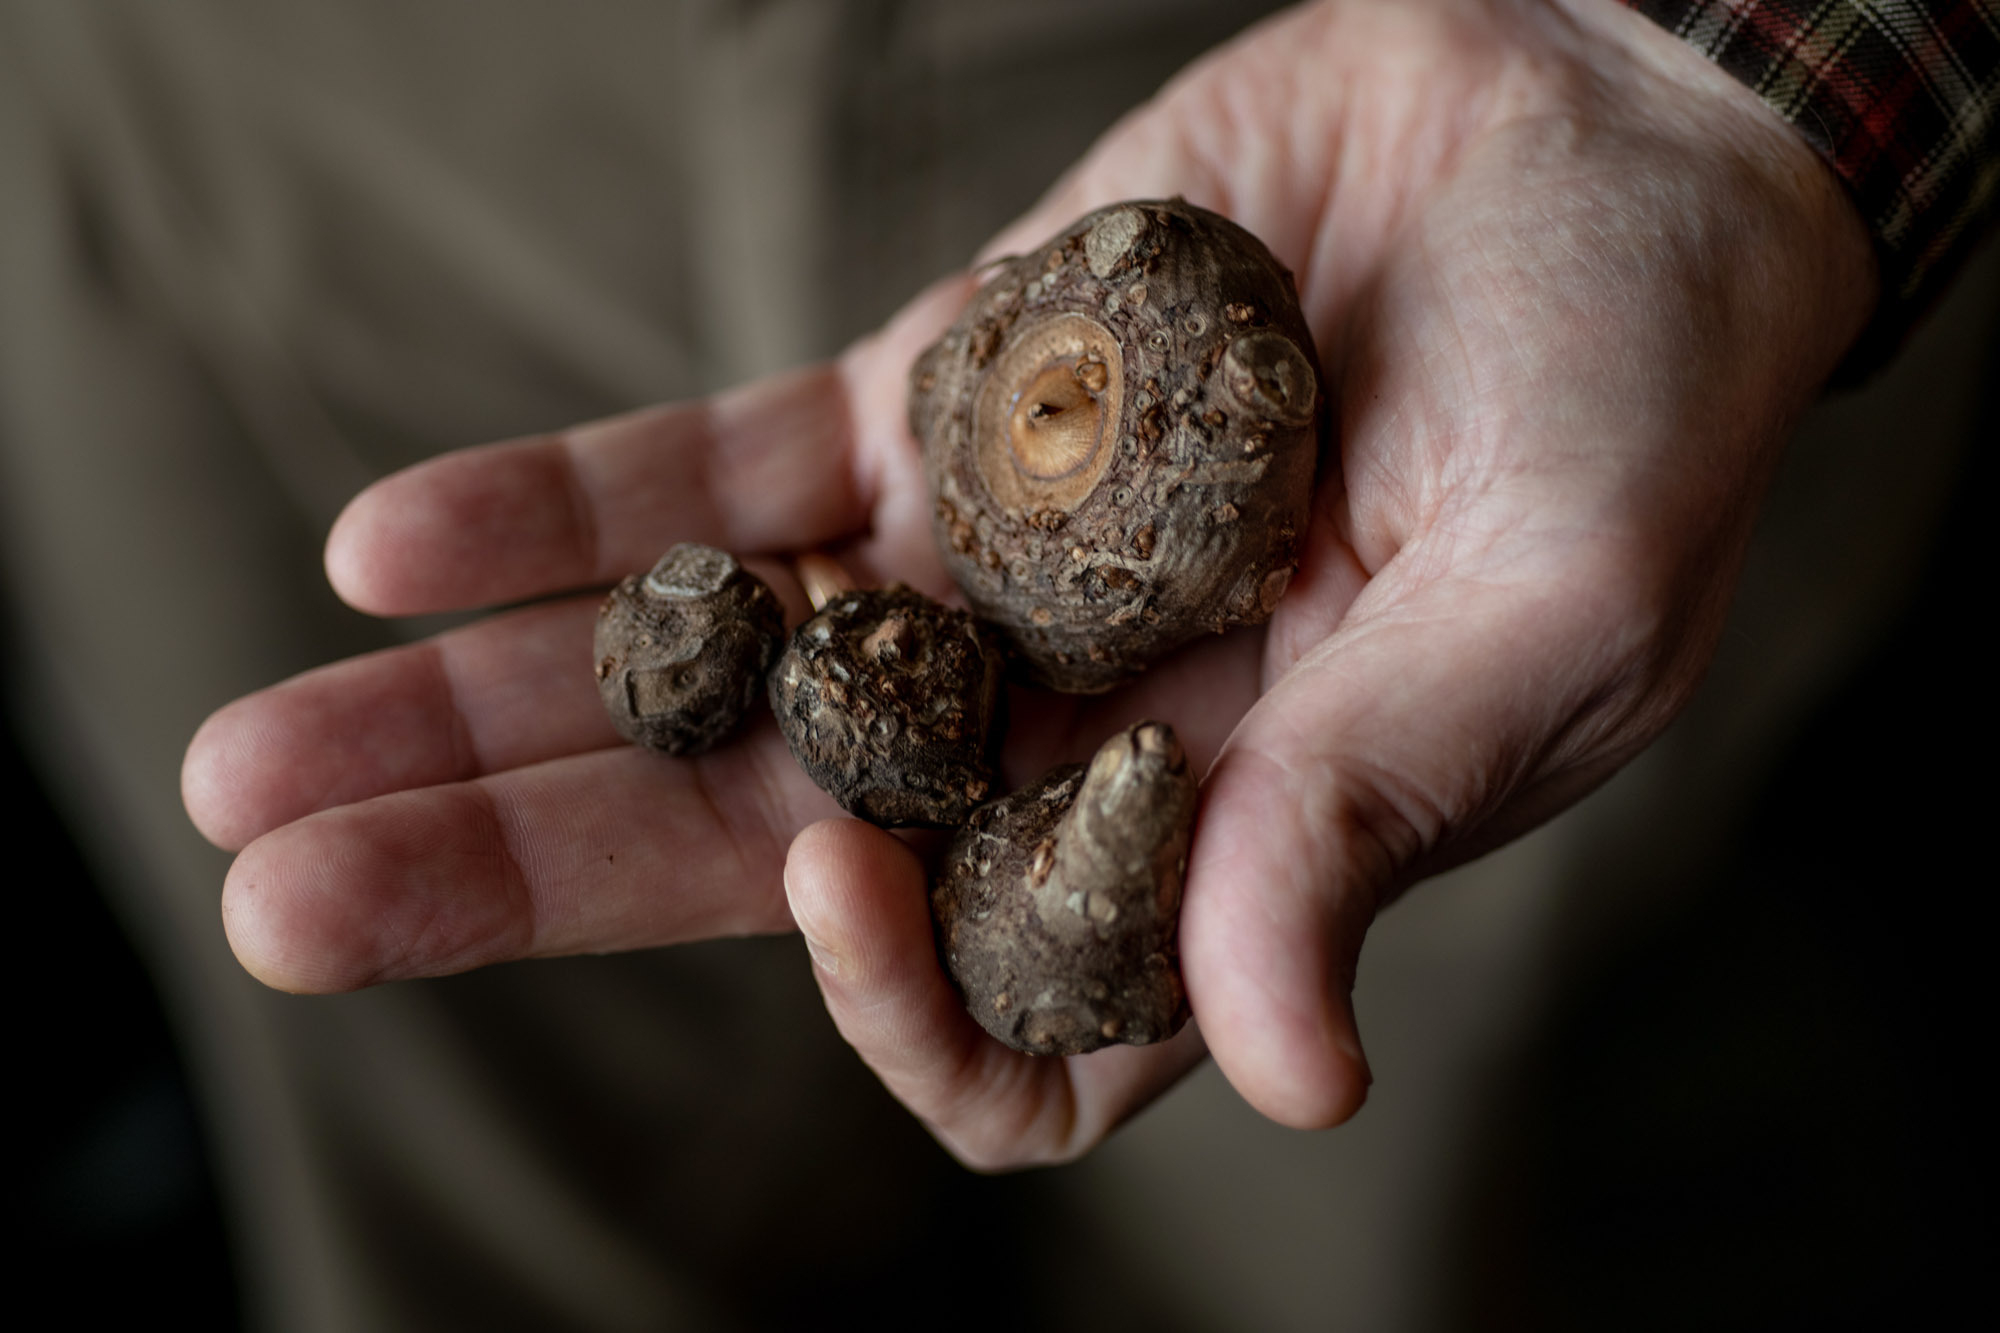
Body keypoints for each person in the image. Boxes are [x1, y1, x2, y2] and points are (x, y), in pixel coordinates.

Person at [9, 0, 1995, 1326]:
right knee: (451, 1142)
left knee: (1344, 1207)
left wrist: (1712, 91)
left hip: (1395, 98)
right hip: (285, 110)